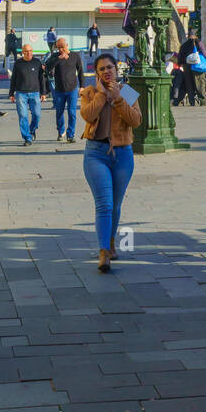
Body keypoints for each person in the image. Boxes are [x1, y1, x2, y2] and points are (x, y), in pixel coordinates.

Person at [80, 53, 141, 273]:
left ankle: (112, 241)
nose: (107, 72)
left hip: (123, 154)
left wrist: (117, 99)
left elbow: (136, 120)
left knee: (115, 205)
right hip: (96, 154)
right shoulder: (89, 92)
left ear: (117, 69)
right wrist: (101, 96)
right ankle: (104, 251)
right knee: (104, 204)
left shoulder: (127, 91)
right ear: (96, 73)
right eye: (102, 69)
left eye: (110, 68)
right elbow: (87, 116)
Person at [45, 37, 85, 142]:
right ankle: (61, 131)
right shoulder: (55, 56)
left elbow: (80, 71)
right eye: (58, 48)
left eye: (62, 47)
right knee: (59, 112)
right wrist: (59, 58)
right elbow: (47, 67)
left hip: (72, 89)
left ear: (67, 45)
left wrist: (82, 87)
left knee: (72, 112)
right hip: (59, 90)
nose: (60, 50)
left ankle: (70, 135)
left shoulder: (75, 56)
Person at [8, 44, 48, 145]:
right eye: (26, 51)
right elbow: (13, 79)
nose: (28, 53)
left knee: (37, 115)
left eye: (30, 51)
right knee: (23, 116)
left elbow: (41, 78)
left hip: (35, 93)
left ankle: (32, 130)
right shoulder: (18, 63)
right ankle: (27, 138)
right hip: (21, 93)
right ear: (22, 52)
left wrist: (43, 93)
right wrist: (11, 93)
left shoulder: (37, 62)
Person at [178, 30, 206, 106]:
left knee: (189, 84)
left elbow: (180, 56)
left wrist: (180, 64)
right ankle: (202, 101)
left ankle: (192, 102)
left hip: (186, 66)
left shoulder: (184, 45)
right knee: (200, 83)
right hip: (197, 66)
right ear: (196, 36)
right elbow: (204, 52)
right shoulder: (199, 43)